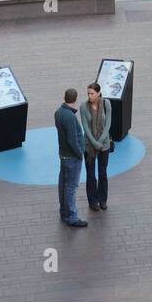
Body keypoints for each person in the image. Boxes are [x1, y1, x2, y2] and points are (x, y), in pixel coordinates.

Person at [54, 87, 87, 228]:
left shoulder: (58, 112)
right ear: (76, 99)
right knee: (71, 187)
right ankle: (72, 217)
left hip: (63, 155)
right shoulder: (70, 117)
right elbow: (72, 139)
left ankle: (63, 211)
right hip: (72, 157)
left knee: (63, 184)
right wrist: (80, 153)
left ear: (64, 97)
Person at [80, 81, 112, 212]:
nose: (90, 96)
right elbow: (85, 128)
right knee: (91, 175)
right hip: (89, 146)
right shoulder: (83, 107)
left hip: (104, 145)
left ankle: (103, 199)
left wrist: (101, 141)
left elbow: (108, 124)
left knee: (103, 173)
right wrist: (94, 142)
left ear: (99, 93)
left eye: (92, 93)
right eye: (88, 93)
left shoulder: (106, 103)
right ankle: (93, 201)